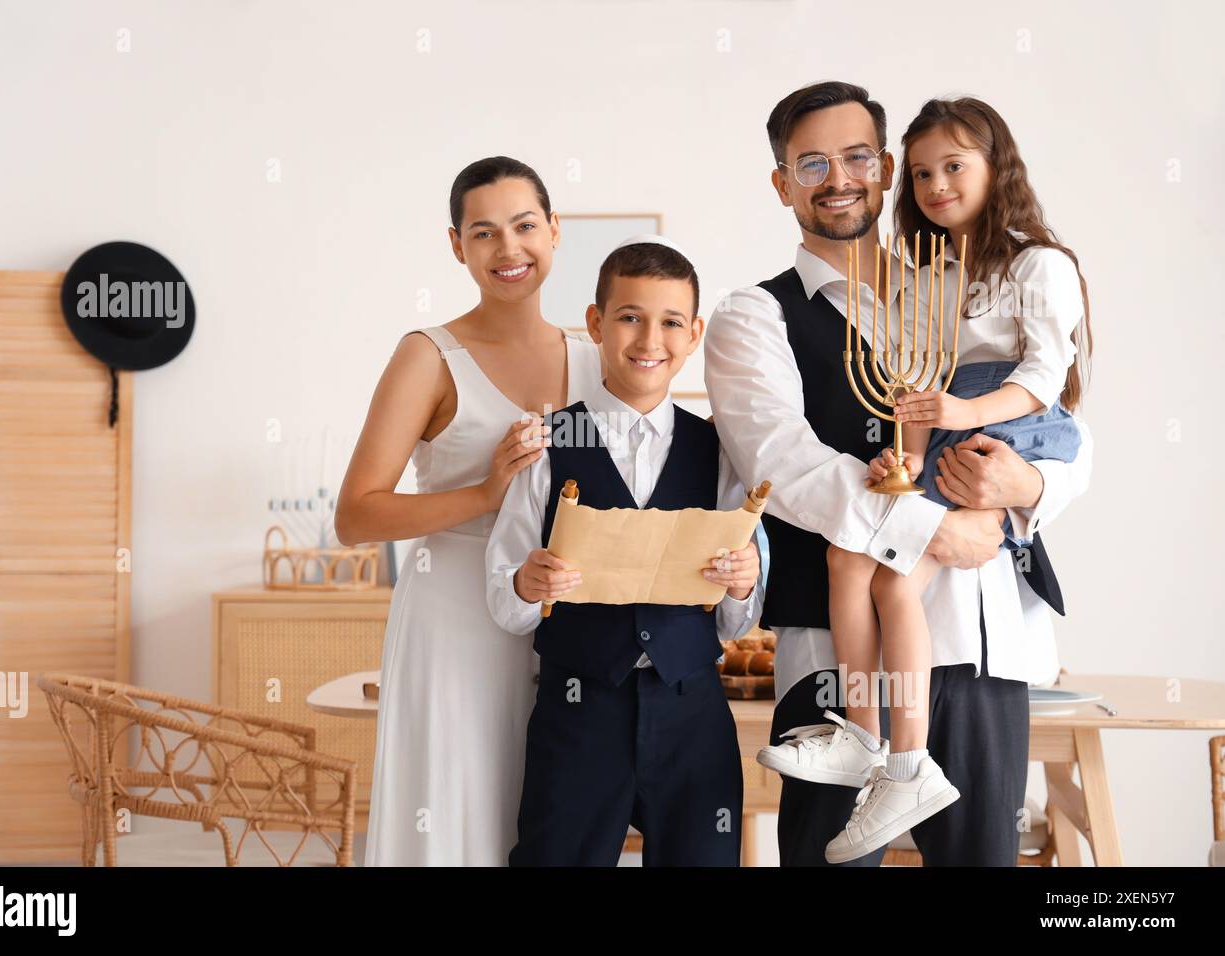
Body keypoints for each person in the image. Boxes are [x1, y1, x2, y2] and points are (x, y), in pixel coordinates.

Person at [705, 81, 1093, 866]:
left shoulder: (962, 282)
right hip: (834, 651)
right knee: (832, 860)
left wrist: (1030, 491)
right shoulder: (757, 315)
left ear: (886, 168)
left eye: (856, 157)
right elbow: (785, 462)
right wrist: (934, 522)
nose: (839, 177)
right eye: (811, 164)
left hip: (980, 634)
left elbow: (1063, 421)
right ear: (781, 184)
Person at [335, 156, 603, 866]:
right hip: (454, 618)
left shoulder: (597, 355)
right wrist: (486, 496)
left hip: (562, 613)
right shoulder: (428, 357)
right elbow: (355, 517)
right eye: (484, 234)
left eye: (523, 227)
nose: (508, 250)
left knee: (544, 811)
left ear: (554, 231)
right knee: (454, 809)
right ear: (457, 246)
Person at [486, 237, 763, 865]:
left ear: (693, 335)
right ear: (595, 324)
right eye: (630, 317)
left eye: (670, 322)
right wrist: (527, 584)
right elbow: (503, 590)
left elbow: (735, 616)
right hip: (578, 709)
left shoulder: (721, 449)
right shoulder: (547, 442)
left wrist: (743, 581)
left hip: (692, 712)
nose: (649, 339)